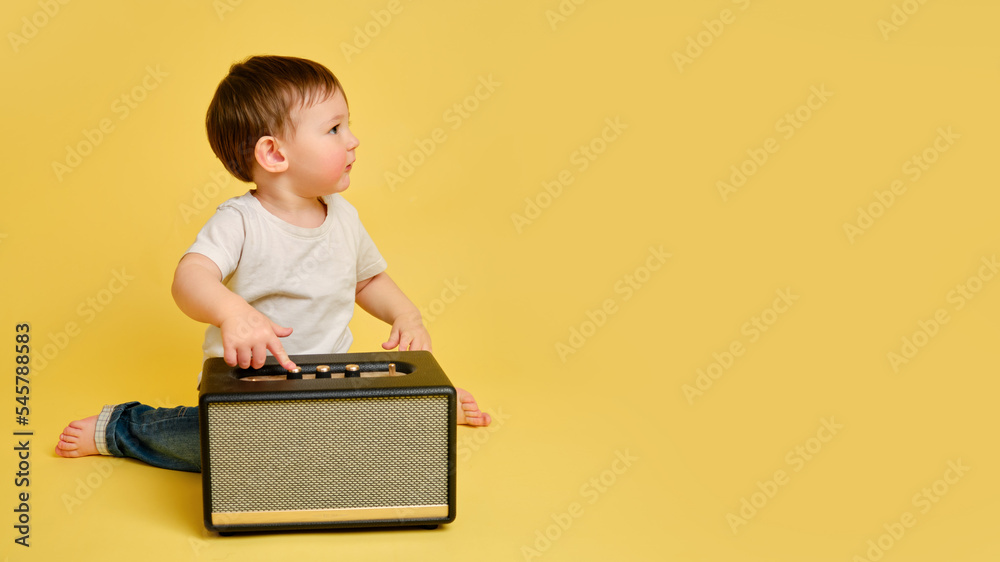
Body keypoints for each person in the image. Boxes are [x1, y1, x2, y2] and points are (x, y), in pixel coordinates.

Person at [55, 55, 491, 472]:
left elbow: (367, 279)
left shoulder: (343, 216)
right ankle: (123, 428)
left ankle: (422, 408)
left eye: (348, 125)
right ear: (275, 155)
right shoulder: (241, 222)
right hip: (255, 391)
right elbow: (190, 277)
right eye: (335, 129)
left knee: (358, 436)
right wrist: (234, 314)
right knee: (229, 454)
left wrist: (406, 315)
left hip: (332, 384)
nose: (353, 139)